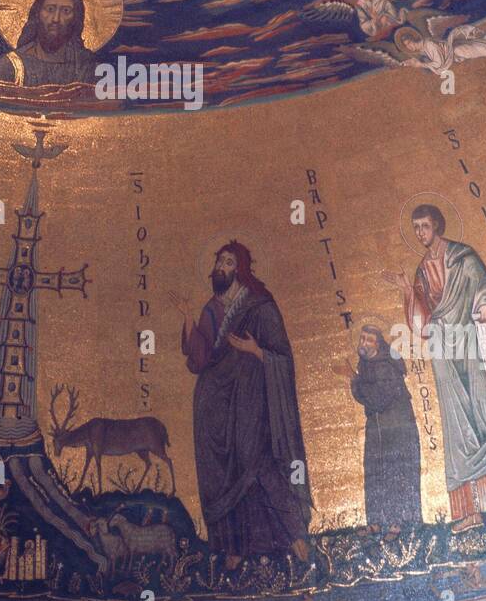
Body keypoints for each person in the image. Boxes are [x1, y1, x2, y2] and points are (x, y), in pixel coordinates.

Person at [385, 205, 486, 532]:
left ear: (437, 226)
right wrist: (406, 290)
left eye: (424, 226)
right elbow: (421, 327)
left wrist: (485, 303)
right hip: (444, 347)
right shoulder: (422, 272)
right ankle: (471, 511)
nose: (420, 233)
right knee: (459, 432)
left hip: (473, 340)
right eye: (415, 228)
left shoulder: (462, 256)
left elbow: (484, 285)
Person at [173, 241, 311, 568]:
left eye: (228, 262)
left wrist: (256, 351)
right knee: (227, 472)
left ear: (241, 268)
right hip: (216, 404)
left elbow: (283, 358)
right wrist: (188, 318)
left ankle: (295, 536)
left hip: (253, 398)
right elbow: (200, 359)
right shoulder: (212, 308)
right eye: (219, 261)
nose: (221, 267)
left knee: (259, 460)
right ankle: (233, 548)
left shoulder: (259, 305)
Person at [339, 324, 420, 530]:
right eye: (362, 338)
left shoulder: (384, 364)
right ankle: (376, 522)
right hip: (378, 428)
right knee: (375, 472)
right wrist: (356, 377)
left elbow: (377, 399)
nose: (363, 343)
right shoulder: (366, 364)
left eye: (369, 339)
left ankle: (398, 523)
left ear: (378, 343)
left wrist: (353, 377)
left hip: (396, 429)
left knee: (396, 473)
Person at [0, 0, 97, 87]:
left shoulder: (85, 65)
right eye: (50, 9)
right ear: (37, 15)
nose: (56, 19)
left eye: (66, 11)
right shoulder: (12, 65)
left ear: (75, 19)